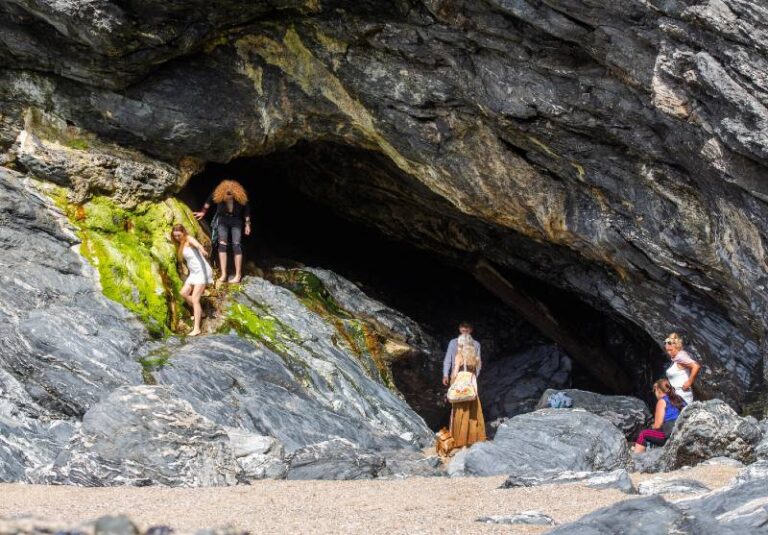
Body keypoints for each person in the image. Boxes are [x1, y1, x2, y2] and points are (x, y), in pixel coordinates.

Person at [193, 179, 251, 284]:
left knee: (236, 246)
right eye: (227, 194)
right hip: (223, 220)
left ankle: (238, 275)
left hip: (236, 220)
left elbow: (246, 210)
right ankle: (223, 274)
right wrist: (203, 212)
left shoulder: (239, 198)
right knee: (222, 245)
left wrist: (247, 224)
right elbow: (209, 200)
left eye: (231, 194)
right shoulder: (220, 195)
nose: (229, 196)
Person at [443, 323, 486, 448]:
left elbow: (455, 371)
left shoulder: (459, 355)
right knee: (473, 410)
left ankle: (459, 440)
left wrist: (452, 383)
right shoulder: (474, 356)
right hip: (471, 383)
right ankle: (475, 438)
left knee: (459, 411)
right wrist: (472, 380)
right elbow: (479, 367)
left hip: (460, 383)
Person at [171, 224, 213, 336]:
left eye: (179, 235)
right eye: (175, 236)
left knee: (194, 299)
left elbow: (198, 244)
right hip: (194, 273)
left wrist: (203, 250)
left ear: (183, 232)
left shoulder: (188, 239)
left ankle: (197, 328)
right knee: (183, 293)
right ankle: (201, 312)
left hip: (202, 271)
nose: (177, 238)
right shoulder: (181, 244)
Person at [634, 378, 685, 453]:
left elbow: (657, 425)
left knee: (643, 434)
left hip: (670, 434)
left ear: (658, 390)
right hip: (682, 431)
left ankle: (636, 459)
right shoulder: (679, 398)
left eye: (654, 391)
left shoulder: (662, 401)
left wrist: (650, 427)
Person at [664, 332, 701, 405]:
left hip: (683, 394)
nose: (668, 353)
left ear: (676, 347)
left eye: (670, 350)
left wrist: (689, 382)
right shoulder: (676, 357)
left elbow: (696, 366)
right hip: (678, 393)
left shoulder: (681, 357)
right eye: (667, 350)